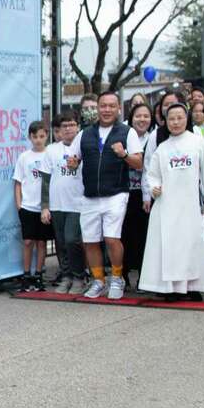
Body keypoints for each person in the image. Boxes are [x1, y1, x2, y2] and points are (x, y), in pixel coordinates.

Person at [66, 91, 143, 300]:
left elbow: (139, 163)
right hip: (90, 195)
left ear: (119, 109)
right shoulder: (84, 134)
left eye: (111, 106)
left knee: (111, 238)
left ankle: (117, 277)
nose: (107, 110)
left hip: (116, 193)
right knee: (90, 241)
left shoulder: (127, 133)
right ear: (97, 108)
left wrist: (124, 154)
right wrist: (72, 163)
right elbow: (73, 160)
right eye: (103, 106)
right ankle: (99, 280)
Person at [140, 104, 204, 301]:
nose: (175, 122)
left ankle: (192, 287)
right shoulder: (162, 148)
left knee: (193, 245)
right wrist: (154, 187)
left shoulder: (197, 143)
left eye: (179, 118)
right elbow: (152, 174)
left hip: (191, 204)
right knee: (169, 247)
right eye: (171, 118)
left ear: (187, 118)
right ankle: (171, 288)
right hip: (167, 206)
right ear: (166, 121)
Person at [42, 111, 86, 293]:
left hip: (78, 203)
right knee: (60, 242)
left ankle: (79, 277)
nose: (68, 129)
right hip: (57, 204)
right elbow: (45, 180)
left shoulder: (84, 147)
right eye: (64, 126)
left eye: (71, 124)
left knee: (72, 239)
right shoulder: (51, 150)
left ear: (78, 127)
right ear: (58, 130)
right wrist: (45, 206)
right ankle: (66, 276)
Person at [13, 121, 52, 290]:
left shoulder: (50, 155)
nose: (38, 140)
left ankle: (38, 274)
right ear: (29, 137)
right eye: (34, 136)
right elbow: (18, 182)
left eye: (41, 136)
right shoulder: (24, 157)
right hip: (28, 206)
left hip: (44, 207)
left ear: (47, 136)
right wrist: (19, 205)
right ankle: (26, 274)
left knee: (41, 242)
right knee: (28, 241)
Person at [122, 102, 154, 289]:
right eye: (138, 116)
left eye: (146, 116)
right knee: (124, 235)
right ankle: (123, 275)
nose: (142, 119)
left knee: (144, 237)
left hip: (146, 196)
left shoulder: (154, 138)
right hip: (124, 193)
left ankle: (145, 278)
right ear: (131, 118)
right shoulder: (124, 135)